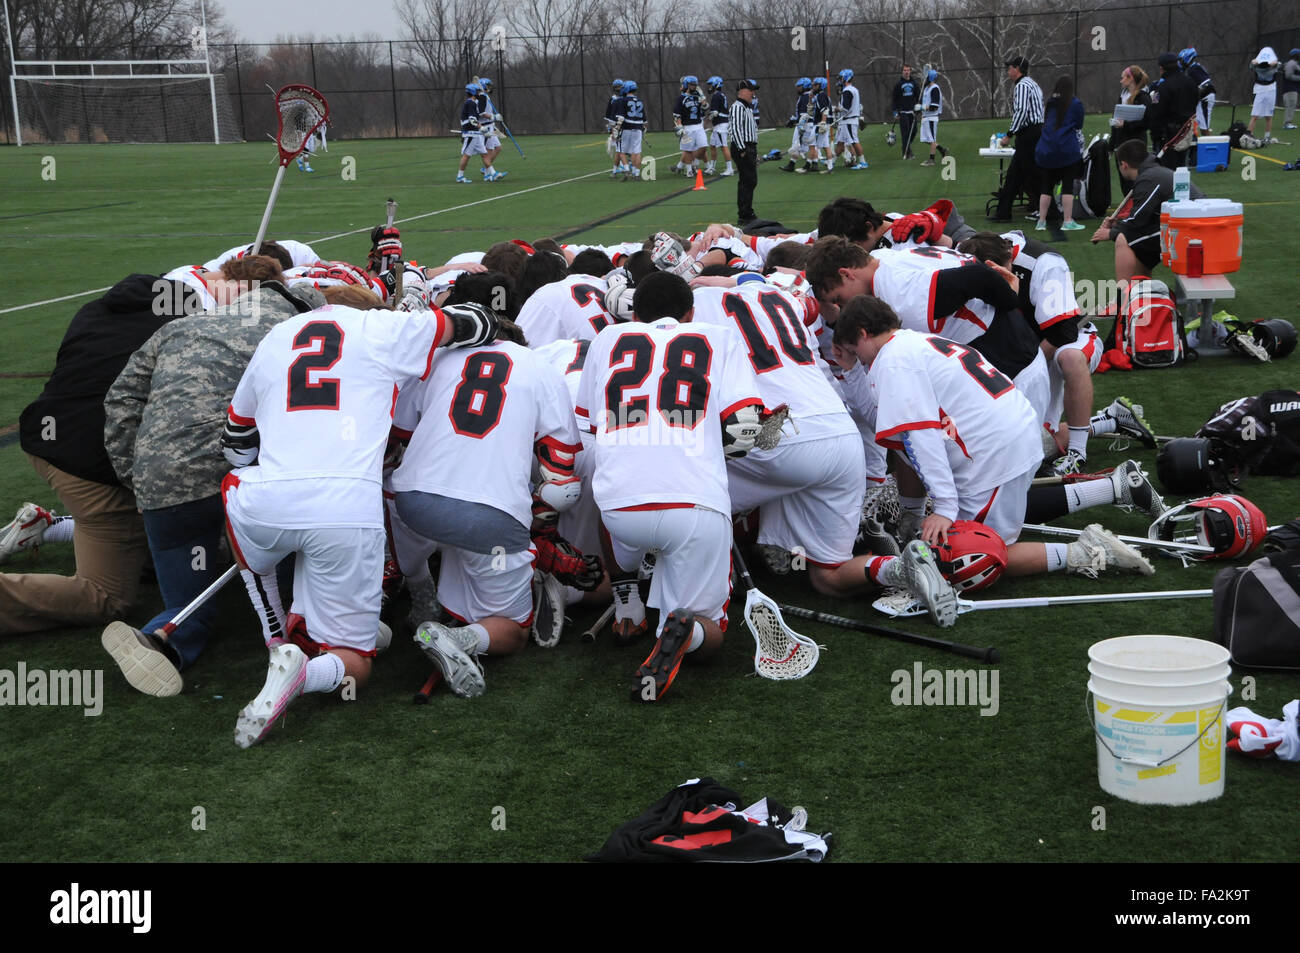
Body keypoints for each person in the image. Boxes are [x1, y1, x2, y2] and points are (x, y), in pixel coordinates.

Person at [220, 300, 499, 748]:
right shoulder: (379, 327)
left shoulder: (277, 335)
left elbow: (235, 442)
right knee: (355, 662)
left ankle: (275, 636)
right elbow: (476, 322)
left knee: (237, 488)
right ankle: (305, 671)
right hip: (347, 507)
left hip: (268, 500)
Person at [101, 268, 325, 696]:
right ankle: (302, 632)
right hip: (243, 476)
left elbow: (121, 400)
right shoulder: (296, 333)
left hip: (163, 479)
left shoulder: (179, 327)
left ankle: (164, 640)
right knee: (291, 558)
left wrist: (139, 476)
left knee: (185, 598)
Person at [0, 264, 252, 636]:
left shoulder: (95, 311)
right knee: (106, 595)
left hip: (44, 439)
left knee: (156, 529)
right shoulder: (191, 331)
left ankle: (84, 534)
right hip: (91, 465)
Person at [831, 295, 1155, 581]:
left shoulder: (892, 360)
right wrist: (914, 512)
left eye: (856, 354)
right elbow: (897, 433)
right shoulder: (912, 342)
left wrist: (943, 507)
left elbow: (920, 436)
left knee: (964, 556)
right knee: (998, 510)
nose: (861, 362)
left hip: (992, 452)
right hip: (1006, 439)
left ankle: (1086, 552)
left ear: (862, 333)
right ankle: (1114, 486)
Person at [576, 272, 766, 700]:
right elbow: (746, 431)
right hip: (693, 505)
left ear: (635, 314)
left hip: (619, 509)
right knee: (708, 627)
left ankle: (628, 600)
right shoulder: (718, 337)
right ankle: (686, 633)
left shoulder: (607, 340)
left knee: (610, 474)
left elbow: (590, 427)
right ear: (691, 314)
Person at [390, 321, 582, 697]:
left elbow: (397, 433)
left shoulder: (441, 359)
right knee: (512, 631)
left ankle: (421, 597)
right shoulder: (539, 367)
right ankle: (459, 636)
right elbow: (561, 470)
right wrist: (542, 535)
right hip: (488, 520)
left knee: (446, 528)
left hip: (412, 503)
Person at [1091, 139, 1204, 284]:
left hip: (1190, 230)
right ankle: (1140, 294)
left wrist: (1111, 232)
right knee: (1135, 241)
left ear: (1124, 165)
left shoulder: (1148, 179)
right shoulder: (1154, 173)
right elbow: (1142, 218)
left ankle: (1123, 299)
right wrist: (1118, 224)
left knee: (1123, 238)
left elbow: (1137, 220)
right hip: (1192, 225)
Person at [992, 56, 1044, 221]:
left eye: (1010, 68)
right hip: (1036, 132)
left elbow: (1021, 111)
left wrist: (1009, 134)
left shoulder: (1022, 85)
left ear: (1017, 69)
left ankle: (1048, 210)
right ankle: (1004, 212)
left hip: (1028, 134)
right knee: (1020, 174)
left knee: (1023, 174)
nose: (1008, 71)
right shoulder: (1033, 83)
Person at [1034, 76, 1085, 232]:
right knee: (1067, 186)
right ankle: (1067, 220)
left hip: (1046, 149)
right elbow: (1078, 124)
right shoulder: (1075, 103)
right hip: (1066, 150)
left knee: (1046, 187)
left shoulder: (1050, 102)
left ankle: (1041, 221)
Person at [1147, 52, 1198, 168]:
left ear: (1162, 68)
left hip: (1168, 136)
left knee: (1167, 171)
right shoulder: (1191, 83)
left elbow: (1156, 112)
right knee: (1182, 168)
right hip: (1186, 132)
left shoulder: (1162, 87)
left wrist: (1155, 135)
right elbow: (1195, 102)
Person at [729, 79, 761, 227]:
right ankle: (745, 214)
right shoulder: (737, 107)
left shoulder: (747, 107)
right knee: (748, 180)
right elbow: (735, 129)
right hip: (742, 146)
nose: (753, 93)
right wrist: (742, 150)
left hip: (749, 146)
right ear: (742, 91)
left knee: (750, 180)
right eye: (751, 90)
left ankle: (746, 212)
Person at [1109, 65, 1152, 177]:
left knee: (1136, 178)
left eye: (1123, 78)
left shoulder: (1143, 97)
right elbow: (1116, 119)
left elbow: (1147, 122)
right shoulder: (1123, 95)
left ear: (1131, 79)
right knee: (1124, 180)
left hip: (1136, 144)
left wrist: (1126, 125)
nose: (1121, 80)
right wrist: (1111, 145)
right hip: (1120, 142)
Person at [672, 75, 708, 176]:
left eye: (695, 85)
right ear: (686, 85)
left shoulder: (697, 97)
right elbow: (677, 114)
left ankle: (692, 163)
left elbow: (705, 107)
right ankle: (689, 171)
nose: (694, 87)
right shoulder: (681, 98)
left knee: (703, 147)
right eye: (691, 85)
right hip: (687, 127)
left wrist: (702, 96)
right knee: (688, 150)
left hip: (698, 126)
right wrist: (679, 126)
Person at [456, 83, 492, 183]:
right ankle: (460, 176)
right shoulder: (470, 103)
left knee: (485, 154)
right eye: (477, 91)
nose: (479, 93)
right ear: (472, 92)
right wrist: (483, 128)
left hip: (475, 134)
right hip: (471, 133)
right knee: (467, 155)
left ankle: (490, 174)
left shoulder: (473, 103)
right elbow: (472, 120)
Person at [834, 69, 868, 169]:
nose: (840, 80)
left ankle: (863, 162)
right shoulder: (853, 89)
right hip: (847, 120)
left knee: (854, 141)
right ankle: (831, 162)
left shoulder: (847, 91)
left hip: (849, 120)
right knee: (840, 143)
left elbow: (845, 109)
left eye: (841, 78)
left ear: (846, 78)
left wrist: (835, 109)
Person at [778, 77, 813, 173]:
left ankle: (809, 164)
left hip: (804, 124)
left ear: (805, 86)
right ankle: (793, 164)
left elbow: (805, 114)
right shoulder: (806, 96)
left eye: (799, 86)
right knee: (803, 145)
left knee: (799, 145)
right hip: (805, 123)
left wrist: (799, 124)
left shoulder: (806, 97)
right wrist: (793, 120)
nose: (798, 88)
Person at [476, 77, 508, 181]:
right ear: (483, 86)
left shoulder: (485, 96)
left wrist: (493, 118)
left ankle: (485, 169)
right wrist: (493, 117)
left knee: (498, 148)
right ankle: (488, 175)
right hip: (486, 126)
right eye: (488, 85)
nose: (490, 88)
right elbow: (480, 113)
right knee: (488, 151)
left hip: (491, 125)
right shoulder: (482, 97)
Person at [1178, 48, 1216, 134]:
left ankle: (1210, 144)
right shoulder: (1192, 68)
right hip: (1202, 99)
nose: (1180, 62)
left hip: (1205, 99)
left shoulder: (1194, 68)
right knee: (1197, 124)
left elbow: (1207, 85)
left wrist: (1194, 96)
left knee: (1204, 128)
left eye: (1181, 60)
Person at [614, 80, 646, 180]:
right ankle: (636, 174)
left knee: (621, 150)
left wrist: (617, 127)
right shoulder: (639, 101)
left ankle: (627, 170)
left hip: (627, 127)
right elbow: (644, 119)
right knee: (636, 152)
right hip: (638, 128)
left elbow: (621, 117)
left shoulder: (622, 100)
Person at [1248, 47, 1281, 142]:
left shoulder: (1275, 66)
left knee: (1268, 115)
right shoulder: (1256, 66)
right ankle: (1249, 135)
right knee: (1255, 114)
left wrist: (1272, 62)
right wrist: (1255, 61)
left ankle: (1267, 137)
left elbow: (1279, 64)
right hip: (1260, 89)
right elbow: (1251, 64)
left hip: (1271, 89)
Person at [704, 76, 734, 176]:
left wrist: (707, 120)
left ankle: (730, 169)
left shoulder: (716, 96)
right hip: (719, 124)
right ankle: (712, 167)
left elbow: (715, 113)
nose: (710, 87)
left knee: (723, 146)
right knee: (712, 145)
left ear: (716, 85)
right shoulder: (720, 95)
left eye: (711, 85)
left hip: (721, 125)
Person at [891, 64, 920, 160]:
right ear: (902, 72)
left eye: (908, 70)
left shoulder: (914, 83)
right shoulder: (898, 84)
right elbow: (894, 99)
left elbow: (918, 97)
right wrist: (895, 112)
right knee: (905, 133)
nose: (906, 72)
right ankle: (908, 152)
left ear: (910, 71)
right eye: (904, 70)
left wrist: (919, 108)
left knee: (914, 131)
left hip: (912, 112)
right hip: (903, 113)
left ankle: (905, 147)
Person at [918, 68, 947, 166]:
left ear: (929, 78)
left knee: (932, 139)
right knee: (926, 139)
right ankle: (942, 150)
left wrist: (922, 107)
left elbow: (934, 106)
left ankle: (931, 160)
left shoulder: (934, 88)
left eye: (925, 77)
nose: (924, 79)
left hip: (931, 118)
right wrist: (919, 109)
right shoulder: (926, 88)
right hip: (925, 117)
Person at [604, 78, 628, 177]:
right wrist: (611, 128)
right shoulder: (614, 100)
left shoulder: (624, 99)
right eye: (618, 87)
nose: (619, 89)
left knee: (622, 149)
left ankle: (619, 168)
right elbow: (610, 115)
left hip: (625, 125)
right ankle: (621, 167)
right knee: (620, 149)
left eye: (620, 87)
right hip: (618, 126)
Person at [1283, 49, 1300, 130]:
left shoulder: (1295, 64)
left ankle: (1289, 123)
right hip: (1290, 89)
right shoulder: (1291, 63)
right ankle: (1287, 124)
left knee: (1291, 105)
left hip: (1293, 89)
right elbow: (1288, 75)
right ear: (1296, 55)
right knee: (1290, 105)